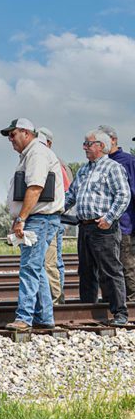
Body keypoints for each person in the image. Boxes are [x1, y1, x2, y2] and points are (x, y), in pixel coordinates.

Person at [0, 118, 64, 331]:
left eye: (13, 134)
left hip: (39, 219)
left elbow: (35, 187)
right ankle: (45, 317)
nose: (10, 139)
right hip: (39, 218)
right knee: (36, 268)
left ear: (26, 132)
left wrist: (22, 218)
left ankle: (24, 318)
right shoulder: (31, 153)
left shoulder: (36, 153)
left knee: (29, 267)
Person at [64, 128, 130, 326]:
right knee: (85, 271)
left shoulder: (112, 167)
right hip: (84, 227)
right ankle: (87, 310)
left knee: (110, 270)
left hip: (103, 227)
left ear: (100, 146)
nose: (84, 147)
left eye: (88, 143)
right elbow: (71, 196)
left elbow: (123, 195)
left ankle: (120, 312)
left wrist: (109, 218)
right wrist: (53, 210)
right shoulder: (84, 169)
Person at [98, 125, 135, 301]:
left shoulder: (127, 161)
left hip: (124, 222)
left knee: (126, 263)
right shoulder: (99, 162)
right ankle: (112, 301)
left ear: (113, 140)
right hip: (103, 224)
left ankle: (131, 301)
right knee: (107, 265)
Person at [37, 126, 72, 304]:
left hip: (52, 217)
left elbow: (65, 193)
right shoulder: (50, 160)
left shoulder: (54, 162)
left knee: (52, 260)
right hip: (50, 217)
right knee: (51, 260)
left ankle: (56, 298)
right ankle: (53, 297)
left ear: (49, 143)